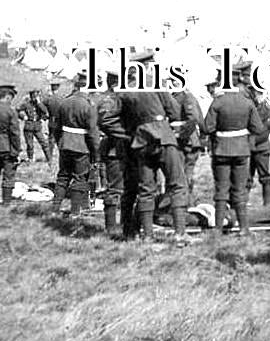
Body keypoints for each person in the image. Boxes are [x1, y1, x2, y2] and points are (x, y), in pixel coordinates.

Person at [118, 58, 189, 241]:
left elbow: (121, 119)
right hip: (163, 137)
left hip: (141, 141)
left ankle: (147, 235)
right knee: (177, 184)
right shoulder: (157, 83)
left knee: (146, 189)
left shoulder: (125, 92)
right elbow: (173, 111)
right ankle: (180, 233)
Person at [203, 68, 262, 236]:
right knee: (240, 189)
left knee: (221, 189)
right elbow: (258, 127)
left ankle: (218, 228)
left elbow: (208, 127)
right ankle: (244, 228)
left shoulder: (218, 102)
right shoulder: (247, 102)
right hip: (242, 150)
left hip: (221, 149)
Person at [237, 63, 270, 208]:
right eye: (255, 92)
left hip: (261, 147)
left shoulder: (266, 109)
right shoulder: (248, 106)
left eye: (260, 92)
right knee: (247, 178)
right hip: (248, 147)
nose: (258, 95)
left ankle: (267, 204)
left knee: (264, 176)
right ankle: (244, 203)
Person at [51, 73, 100, 215]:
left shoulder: (65, 102)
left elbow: (56, 127)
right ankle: (74, 212)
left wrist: (60, 141)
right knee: (80, 178)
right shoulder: (88, 105)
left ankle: (54, 209)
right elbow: (92, 133)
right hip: (81, 146)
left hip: (65, 144)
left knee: (63, 176)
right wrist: (96, 154)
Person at [95, 72, 130, 236]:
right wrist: (126, 134)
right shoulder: (109, 100)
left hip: (125, 149)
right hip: (115, 149)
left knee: (128, 189)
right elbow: (105, 122)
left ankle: (125, 225)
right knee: (115, 189)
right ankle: (111, 226)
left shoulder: (119, 97)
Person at [171, 79, 206, 203]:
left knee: (183, 175)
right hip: (182, 141)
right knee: (182, 175)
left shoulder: (186, 96)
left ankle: (184, 205)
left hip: (186, 142)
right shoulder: (175, 96)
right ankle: (184, 204)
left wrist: (182, 136)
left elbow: (195, 119)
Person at [0, 85, 21, 206]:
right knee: (8, 174)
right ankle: (6, 202)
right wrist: (16, 151)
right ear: (8, 97)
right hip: (5, 147)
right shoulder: (10, 111)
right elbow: (15, 133)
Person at [18, 89, 51, 163]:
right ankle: (30, 158)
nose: (34, 98)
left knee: (44, 143)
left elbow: (45, 111)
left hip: (37, 127)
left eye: (36, 96)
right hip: (28, 126)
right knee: (30, 145)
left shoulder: (40, 104)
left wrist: (39, 103)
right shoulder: (26, 104)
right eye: (33, 96)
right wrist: (22, 116)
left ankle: (49, 159)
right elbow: (18, 110)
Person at [45, 80, 64, 160]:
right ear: (58, 87)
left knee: (51, 140)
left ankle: (50, 157)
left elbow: (41, 106)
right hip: (60, 121)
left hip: (51, 121)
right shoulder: (62, 98)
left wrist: (45, 113)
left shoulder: (48, 99)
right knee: (60, 139)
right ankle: (62, 156)